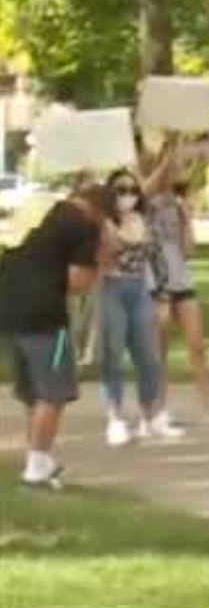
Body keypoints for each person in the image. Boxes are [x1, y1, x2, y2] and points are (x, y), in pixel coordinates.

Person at [3, 183, 110, 488]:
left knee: (33, 390)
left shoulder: (37, 215)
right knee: (54, 390)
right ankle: (36, 465)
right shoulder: (84, 227)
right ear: (98, 211)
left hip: (10, 313)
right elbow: (78, 283)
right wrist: (99, 263)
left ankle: (39, 455)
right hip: (49, 320)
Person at [142, 143, 209, 424]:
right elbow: (149, 186)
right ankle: (157, 409)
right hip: (156, 279)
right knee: (160, 348)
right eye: (172, 167)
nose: (177, 172)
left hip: (181, 277)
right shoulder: (144, 201)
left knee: (197, 345)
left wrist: (188, 220)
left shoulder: (177, 204)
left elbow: (187, 250)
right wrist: (169, 148)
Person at [96, 168, 184, 446]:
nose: (128, 196)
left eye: (133, 190)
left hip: (139, 289)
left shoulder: (144, 222)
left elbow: (158, 258)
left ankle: (150, 418)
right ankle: (115, 419)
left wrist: (163, 293)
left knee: (149, 357)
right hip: (111, 288)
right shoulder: (103, 223)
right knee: (113, 355)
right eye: (121, 190)